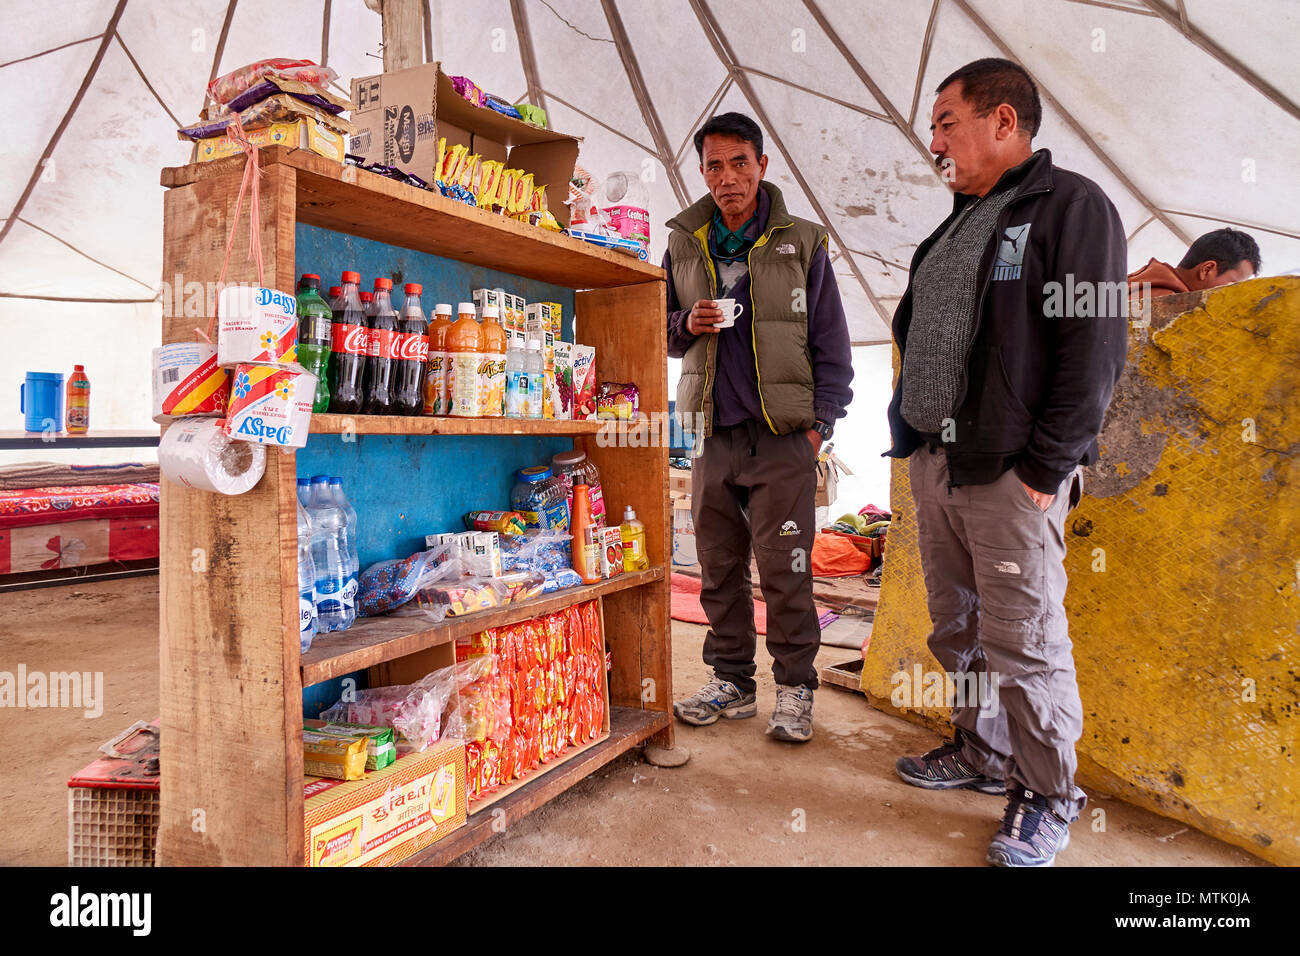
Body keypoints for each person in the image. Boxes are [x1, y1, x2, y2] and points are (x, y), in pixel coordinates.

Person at [885, 58, 1128, 866]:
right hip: (938, 462)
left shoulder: (1073, 206)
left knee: (1025, 641)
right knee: (958, 628)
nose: (935, 141)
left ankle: (1049, 793)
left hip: (1009, 474)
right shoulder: (959, 219)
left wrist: (1044, 470)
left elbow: (1094, 347)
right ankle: (984, 753)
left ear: (1003, 121)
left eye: (946, 121)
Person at [666, 111, 854, 744]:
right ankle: (732, 682)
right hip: (714, 435)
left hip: (783, 438)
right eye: (714, 166)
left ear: (762, 166)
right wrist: (684, 325)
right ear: (702, 173)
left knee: (786, 566)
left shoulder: (802, 242)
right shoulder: (683, 244)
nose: (728, 178)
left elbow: (832, 343)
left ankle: (796, 689)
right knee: (716, 566)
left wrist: (818, 428)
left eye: (739, 163)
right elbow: (664, 332)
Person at [1128, 228, 1261, 299]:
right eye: (1233, 284)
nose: (1236, 294)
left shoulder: (1143, 284)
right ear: (1207, 269)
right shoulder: (1164, 303)